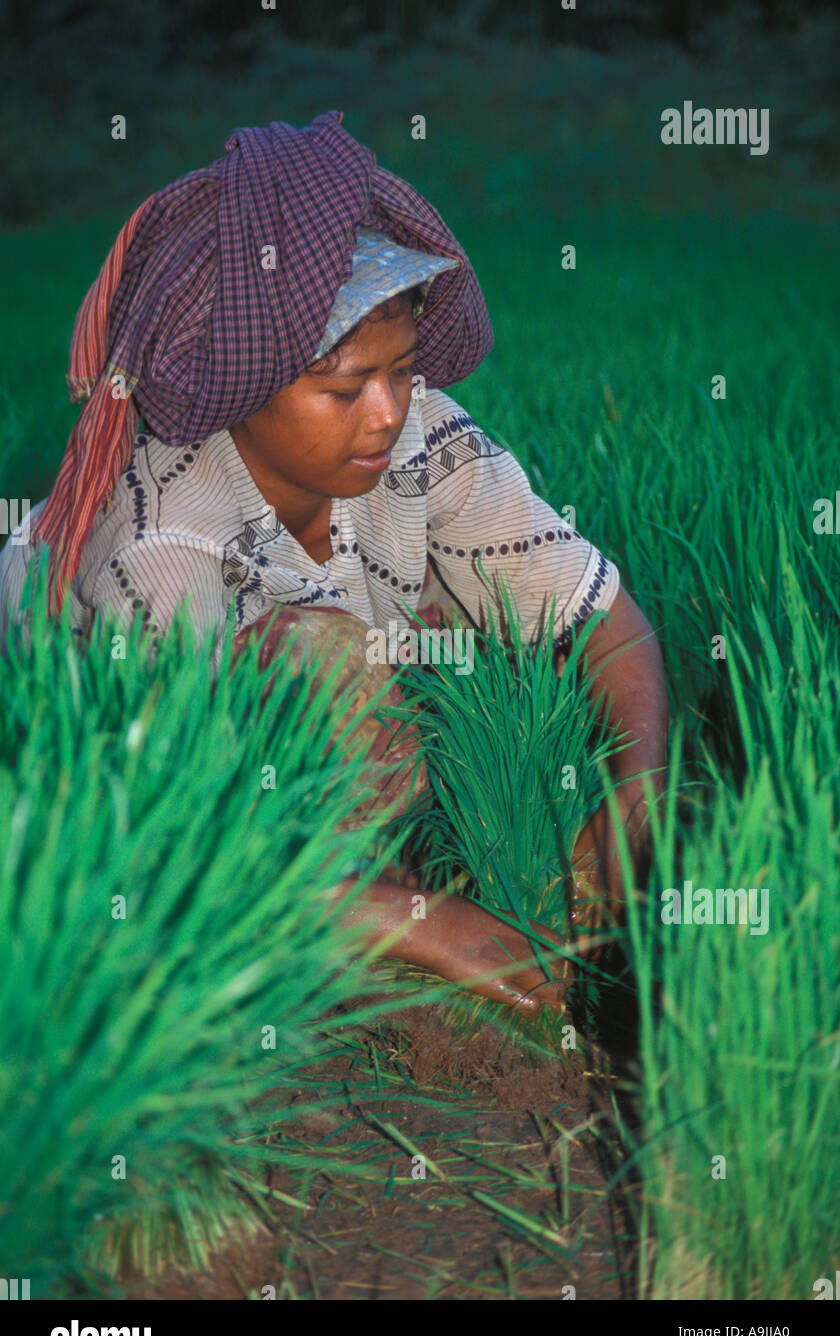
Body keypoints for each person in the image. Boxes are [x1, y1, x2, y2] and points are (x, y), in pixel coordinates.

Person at [0, 113, 668, 1016]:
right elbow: (174, 837)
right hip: (122, 735)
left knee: (497, 650)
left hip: (290, 697)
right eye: (347, 388)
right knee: (332, 667)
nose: (390, 413)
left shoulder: (418, 437)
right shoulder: (162, 546)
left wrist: (638, 803)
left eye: (400, 372)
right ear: (242, 388)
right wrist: (434, 926)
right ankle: (334, 939)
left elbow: (605, 623)